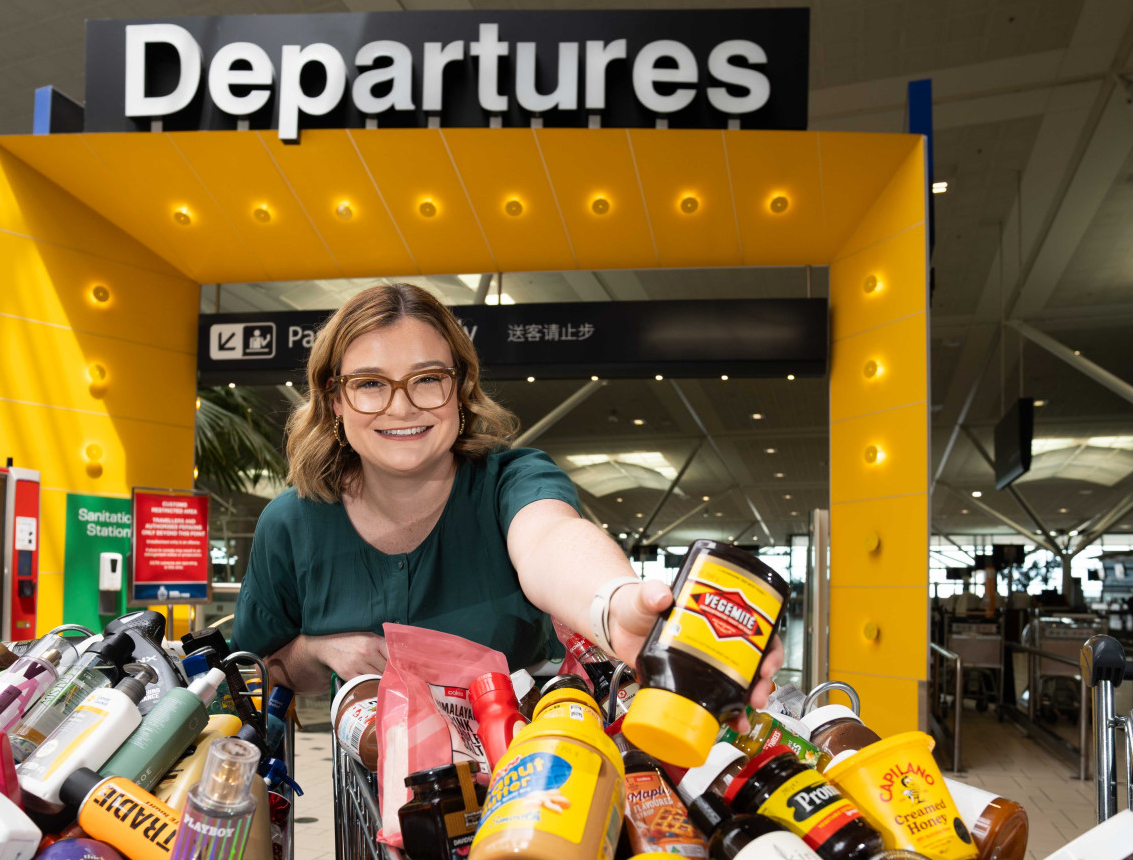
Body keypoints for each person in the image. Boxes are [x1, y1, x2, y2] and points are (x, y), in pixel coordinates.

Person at [228, 283, 783, 700]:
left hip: (525, 782)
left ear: (461, 390)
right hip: (366, 807)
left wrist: (612, 607)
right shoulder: (292, 524)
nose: (401, 406)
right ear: (334, 400)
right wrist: (316, 650)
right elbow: (260, 667)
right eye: (370, 383)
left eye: (427, 379)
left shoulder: (509, 482)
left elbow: (550, 541)